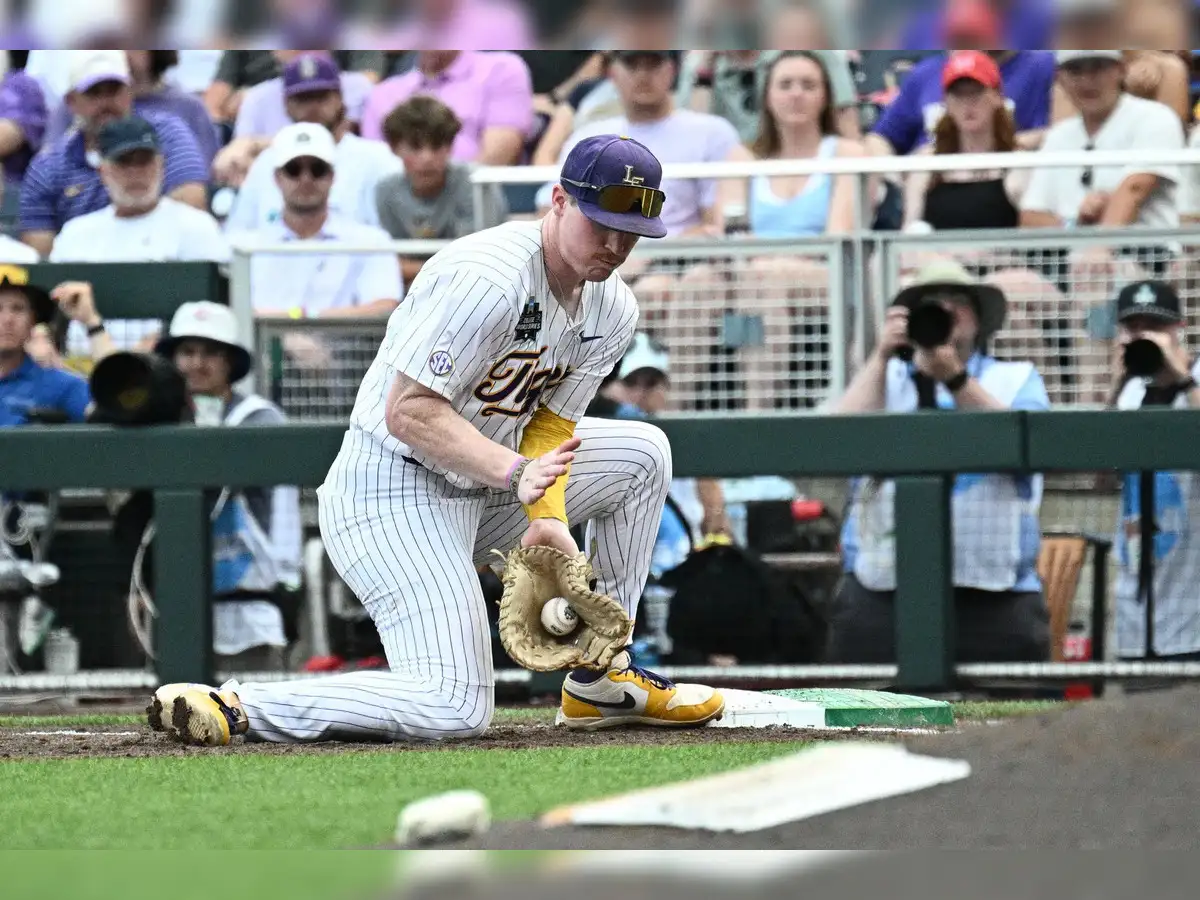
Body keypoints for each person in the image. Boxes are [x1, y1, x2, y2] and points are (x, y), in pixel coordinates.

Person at [150, 135, 726, 745]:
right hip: (391, 490)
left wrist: (548, 521)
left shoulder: (613, 307)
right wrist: (514, 475)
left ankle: (600, 677)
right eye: (601, 224)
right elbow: (410, 412)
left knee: (643, 454)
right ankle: (238, 705)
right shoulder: (486, 277)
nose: (614, 245)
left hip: (486, 488)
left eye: (631, 231)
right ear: (559, 200)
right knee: (454, 707)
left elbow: (551, 428)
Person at [825, 261, 1052, 665]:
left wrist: (954, 378)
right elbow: (833, 442)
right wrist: (880, 357)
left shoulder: (1016, 377)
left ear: (979, 320)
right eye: (932, 304)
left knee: (1014, 718)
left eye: (957, 302)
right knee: (863, 710)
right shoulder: (885, 379)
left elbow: (1029, 445)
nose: (945, 310)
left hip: (995, 591)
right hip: (881, 585)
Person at [721, 51, 866, 411]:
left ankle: (758, 419)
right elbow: (733, 233)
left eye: (808, 85)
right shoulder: (743, 158)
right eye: (785, 85)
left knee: (762, 284)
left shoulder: (848, 154)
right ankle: (677, 420)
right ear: (767, 95)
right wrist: (760, 262)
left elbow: (837, 237)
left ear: (825, 96)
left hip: (828, 277)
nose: (796, 93)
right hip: (754, 276)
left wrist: (765, 261)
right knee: (700, 284)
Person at [48, 116, 230, 367]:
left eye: (144, 161)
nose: (135, 173)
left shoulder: (195, 226)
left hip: (165, 366)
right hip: (79, 365)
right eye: (124, 162)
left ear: (161, 165)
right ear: (103, 171)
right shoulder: (75, 233)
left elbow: (213, 306)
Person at [18, 50, 209, 257]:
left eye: (114, 90)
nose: (106, 103)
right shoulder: (49, 165)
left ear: (130, 92)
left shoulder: (166, 133)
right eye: (94, 93)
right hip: (81, 267)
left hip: (164, 259)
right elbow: (40, 255)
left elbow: (190, 204)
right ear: (72, 102)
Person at [1108, 280, 1200, 665]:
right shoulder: (1130, 391)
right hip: (1138, 591)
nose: (1144, 335)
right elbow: (1099, 474)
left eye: (1155, 327)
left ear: (1178, 328)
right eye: (1134, 327)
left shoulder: (1194, 377)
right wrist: (1116, 386)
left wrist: (1180, 375)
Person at [222, 55, 401, 230]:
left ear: (340, 98)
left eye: (321, 97)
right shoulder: (267, 163)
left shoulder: (378, 159)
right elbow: (238, 238)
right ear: (286, 104)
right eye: (303, 99)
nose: (313, 107)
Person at [375, 95, 509, 284]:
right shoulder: (385, 191)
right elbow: (386, 264)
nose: (427, 158)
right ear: (395, 148)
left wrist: (409, 270)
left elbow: (478, 263)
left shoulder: (477, 184)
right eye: (415, 147)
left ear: (450, 146)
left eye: (437, 146)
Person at [0, 267, 90, 427]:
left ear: (33, 320)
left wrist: (92, 322)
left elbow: (111, 423)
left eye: (18, 308)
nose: (7, 319)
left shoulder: (62, 385)